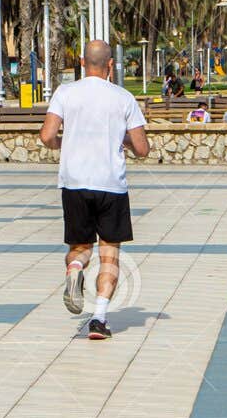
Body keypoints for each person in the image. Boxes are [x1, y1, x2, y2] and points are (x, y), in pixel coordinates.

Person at [39, 41, 149, 341]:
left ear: (82, 63)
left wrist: (64, 144)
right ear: (110, 65)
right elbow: (142, 149)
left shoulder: (65, 92)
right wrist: (122, 141)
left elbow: (47, 135)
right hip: (111, 185)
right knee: (110, 255)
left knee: (80, 248)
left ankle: (75, 267)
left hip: (74, 183)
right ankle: (99, 319)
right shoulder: (123, 97)